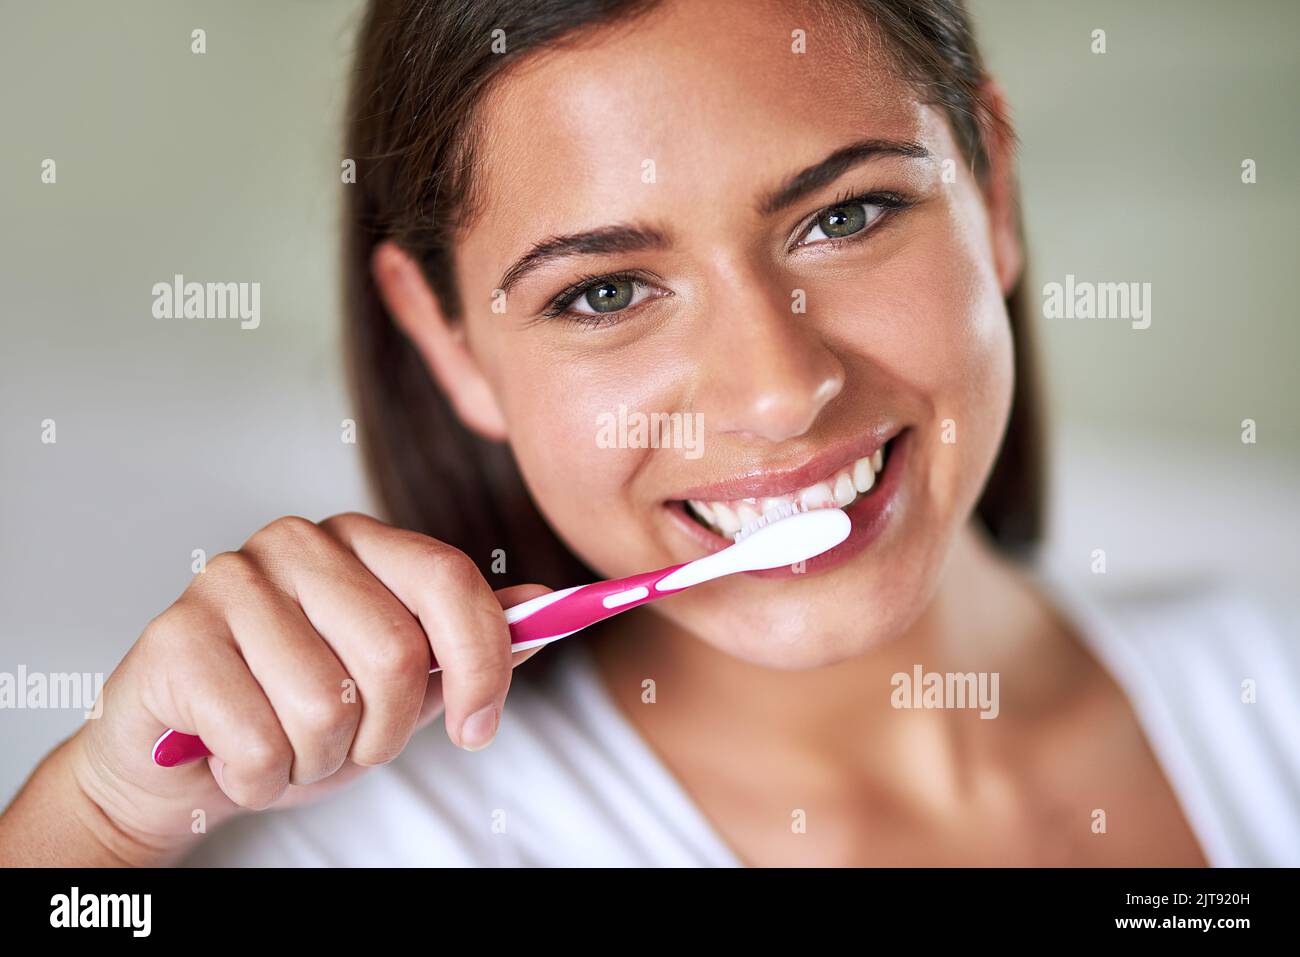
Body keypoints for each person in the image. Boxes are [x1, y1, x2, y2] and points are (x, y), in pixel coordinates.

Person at [3, 0, 1296, 867]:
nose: (778, 391)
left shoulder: (1273, 685)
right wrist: (100, 820)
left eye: (843, 218)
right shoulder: (378, 845)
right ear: (448, 340)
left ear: (993, 188)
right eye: (603, 292)